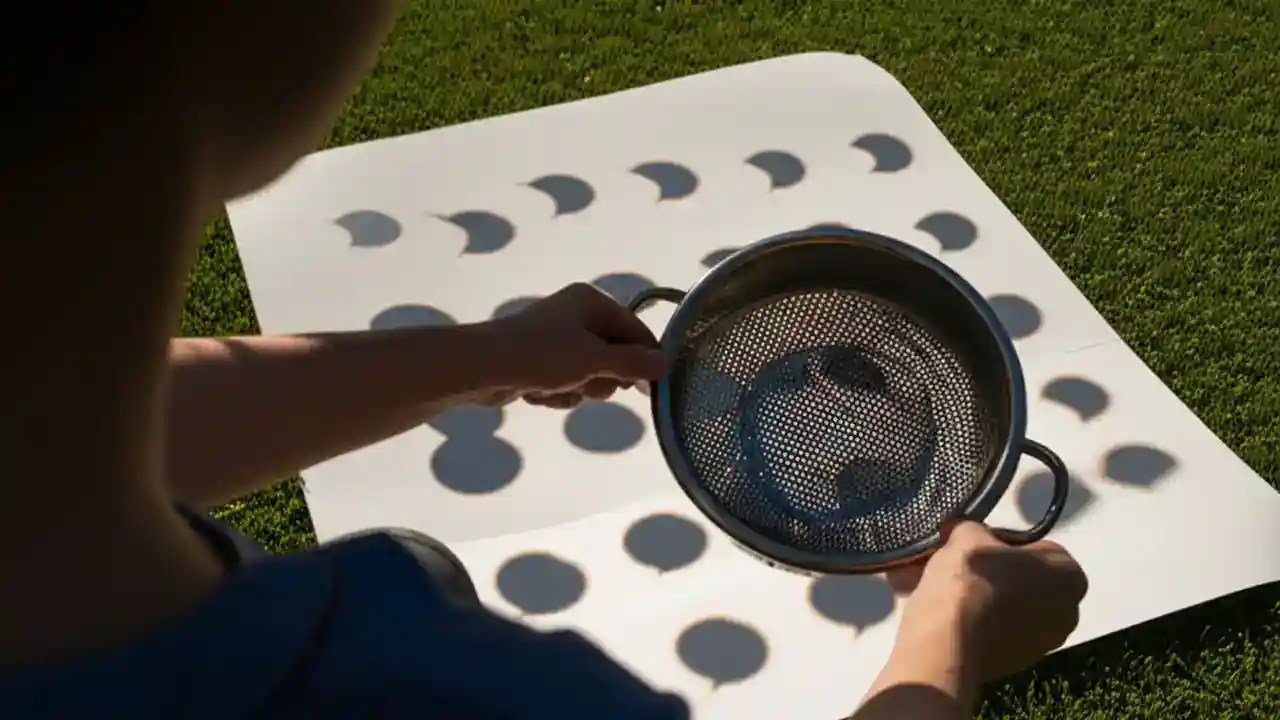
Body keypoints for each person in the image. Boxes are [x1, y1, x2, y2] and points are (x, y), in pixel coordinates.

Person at [0, 3, 1087, 718]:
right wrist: (951, 630)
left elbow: (114, 425)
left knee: (422, 554)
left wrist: (482, 358)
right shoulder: (478, 698)